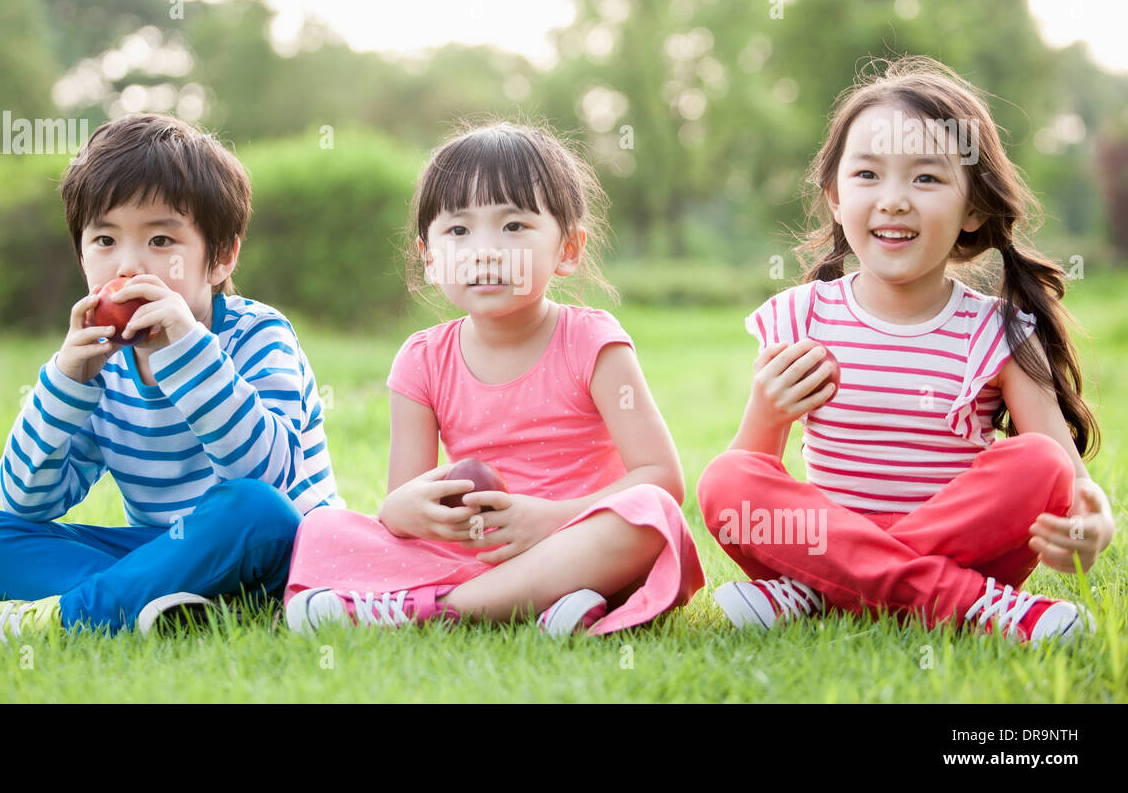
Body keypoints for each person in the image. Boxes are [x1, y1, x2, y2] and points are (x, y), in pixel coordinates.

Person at [697, 57, 1114, 643]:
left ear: (974, 209)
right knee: (724, 480)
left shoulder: (997, 333)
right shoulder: (801, 318)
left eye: (925, 178)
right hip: (858, 550)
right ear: (835, 198)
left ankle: (821, 593)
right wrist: (767, 411)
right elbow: (753, 472)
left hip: (950, 550)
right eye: (867, 175)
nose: (893, 200)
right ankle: (967, 605)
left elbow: (1068, 483)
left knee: (1039, 463)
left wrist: (1093, 527)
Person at [0, 113, 341, 641]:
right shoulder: (98, 363)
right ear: (81, 254)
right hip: (164, 550)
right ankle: (166, 606)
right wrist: (66, 384)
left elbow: (268, 477)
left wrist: (189, 352)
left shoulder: (259, 335)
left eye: (160, 240)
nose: (127, 266)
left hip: (279, 552)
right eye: (104, 240)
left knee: (253, 508)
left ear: (221, 257)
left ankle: (61, 619)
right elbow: (28, 502)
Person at [284, 121, 702, 636]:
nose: (484, 251)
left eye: (513, 227)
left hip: (579, 543)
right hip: (473, 551)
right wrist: (404, 510)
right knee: (322, 528)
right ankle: (543, 607)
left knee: (650, 515)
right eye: (458, 231)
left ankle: (435, 608)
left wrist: (546, 521)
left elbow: (661, 477)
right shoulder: (422, 360)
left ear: (568, 249)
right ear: (430, 258)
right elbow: (408, 505)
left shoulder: (592, 341)